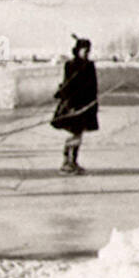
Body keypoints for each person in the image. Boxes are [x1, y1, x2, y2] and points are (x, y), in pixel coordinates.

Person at [50, 36, 99, 175]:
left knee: (79, 134)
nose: (86, 52)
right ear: (77, 50)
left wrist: (94, 104)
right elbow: (68, 83)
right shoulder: (70, 65)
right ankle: (67, 162)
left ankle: (72, 161)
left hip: (86, 105)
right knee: (75, 133)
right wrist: (63, 96)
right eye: (84, 49)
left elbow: (93, 86)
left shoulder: (90, 65)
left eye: (88, 50)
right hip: (73, 105)